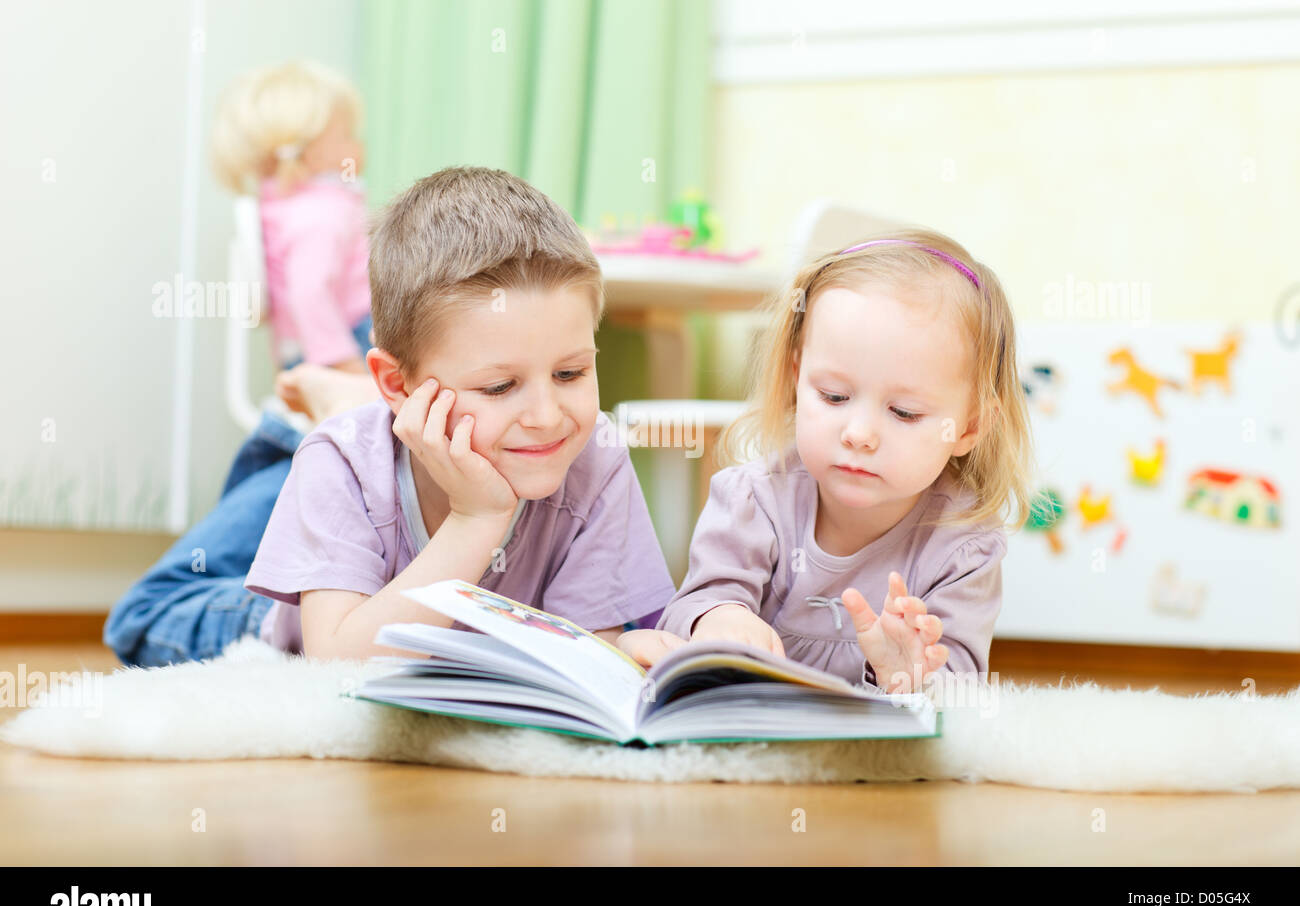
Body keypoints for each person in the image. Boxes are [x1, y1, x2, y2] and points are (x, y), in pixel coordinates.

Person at [105, 166, 680, 667]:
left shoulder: (595, 455)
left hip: (374, 466)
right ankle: (310, 426)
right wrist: (476, 519)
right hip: (270, 613)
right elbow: (339, 662)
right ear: (399, 385)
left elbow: (577, 657)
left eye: (571, 373)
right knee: (143, 616)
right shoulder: (346, 462)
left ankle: (346, 405)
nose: (547, 416)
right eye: (500, 386)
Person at [650, 228, 1038, 694]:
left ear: (970, 426)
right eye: (834, 396)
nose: (858, 435)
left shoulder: (962, 546)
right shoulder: (755, 499)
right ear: (797, 378)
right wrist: (721, 618)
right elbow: (691, 608)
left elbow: (960, 691)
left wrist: (907, 673)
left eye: (903, 412)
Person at [211, 59, 373, 372]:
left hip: (314, 348)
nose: (359, 145)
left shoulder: (288, 206)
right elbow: (310, 294)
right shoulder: (320, 215)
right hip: (346, 345)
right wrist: (344, 364)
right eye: (347, 135)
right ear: (309, 153)